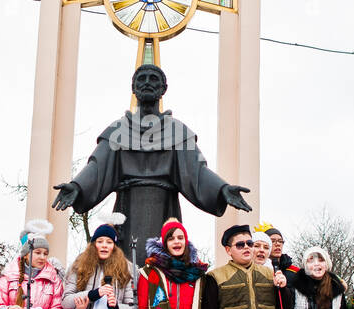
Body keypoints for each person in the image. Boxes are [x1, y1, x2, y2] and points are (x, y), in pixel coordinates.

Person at [52, 65, 252, 264]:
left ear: (164, 88)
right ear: (133, 87)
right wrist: (77, 186)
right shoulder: (118, 130)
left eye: (153, 79)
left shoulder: (177, 130)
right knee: (126, 266)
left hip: (164, 209)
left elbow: (198, 171)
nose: (147, 83)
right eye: (142, 79)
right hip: (127, 209)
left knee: (162, 264)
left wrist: (222, 189)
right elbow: (96, 167)